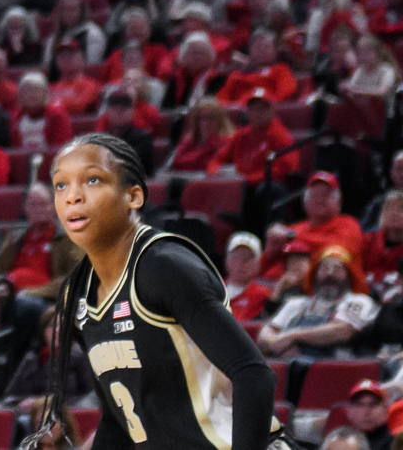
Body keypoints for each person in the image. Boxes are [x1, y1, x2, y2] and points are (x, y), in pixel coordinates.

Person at [27, 134, 277, 450]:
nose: (75, 196)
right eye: (63, 185)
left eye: (93, 181)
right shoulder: (76, 294)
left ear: (132, 197)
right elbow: (118, 422)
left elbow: (254, 376)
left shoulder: (164, 267)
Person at [256, 247, 377, 355]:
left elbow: (342, 331)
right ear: (314, 274)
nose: (330, 274)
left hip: (335, 372)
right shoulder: (296, 303)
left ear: (349, 275)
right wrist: (278, 344)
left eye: (338, 269)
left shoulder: (359, 301)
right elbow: (265, 335)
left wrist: (293, 336)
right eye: (324, 268)